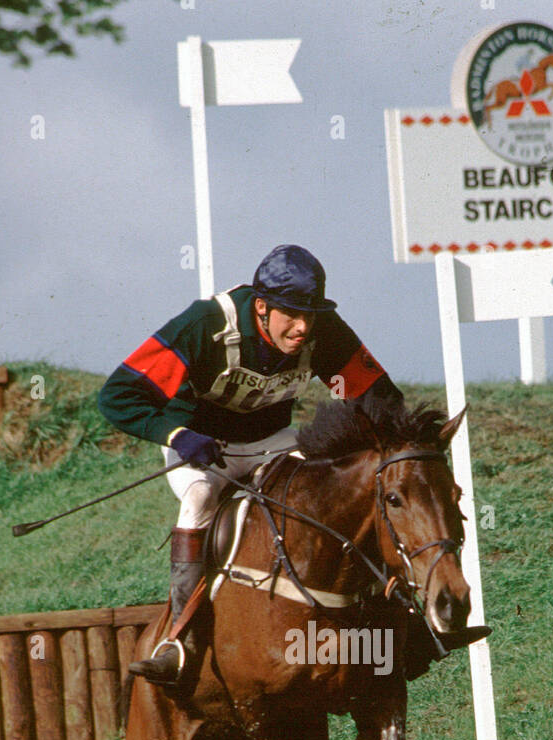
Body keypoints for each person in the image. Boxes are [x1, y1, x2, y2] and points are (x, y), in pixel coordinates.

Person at [98, 245, 405, 686]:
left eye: (311, 315)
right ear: (261, 307)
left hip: (271, 442)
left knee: (335, 490)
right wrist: (178, 435)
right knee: (200, 498)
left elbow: (374, 394)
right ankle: (179, 641)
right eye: (291, 316)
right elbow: (119, 395)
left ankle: (386, 619)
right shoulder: (205, 325)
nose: (303, 328)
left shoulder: (323, 332)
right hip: (202, 446)